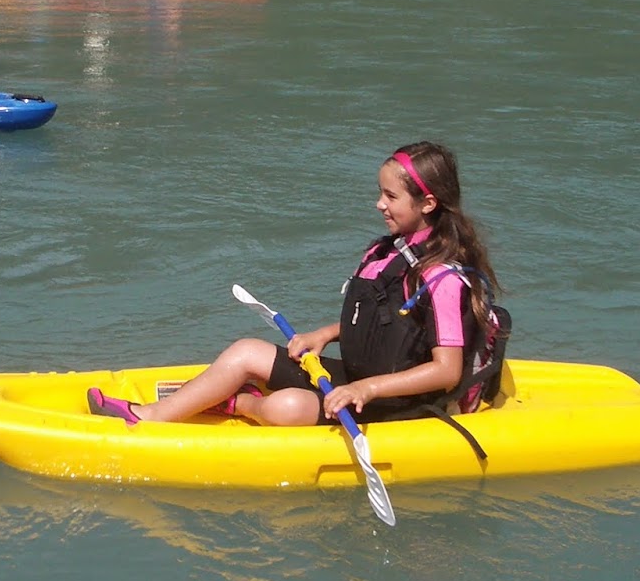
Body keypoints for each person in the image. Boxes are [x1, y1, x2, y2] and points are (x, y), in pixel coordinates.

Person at [87, 141, 505, 429]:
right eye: (381, 193)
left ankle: (239, 403)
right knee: (246, 350)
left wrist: (366, 388)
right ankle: (151, 416)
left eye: (391, 197)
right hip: (356, 380)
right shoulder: (388, 253)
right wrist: (324, 333)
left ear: (427, 204)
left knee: (287, 408)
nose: (380, 204)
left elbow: (447, 371)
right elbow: (389, 321)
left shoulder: (442, 277)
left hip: (397, 402)